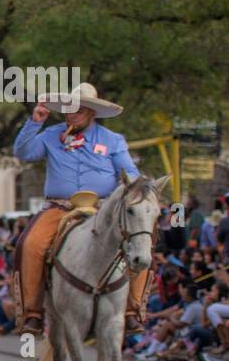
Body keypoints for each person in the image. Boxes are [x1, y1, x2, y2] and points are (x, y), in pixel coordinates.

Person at [11, 83, 147, 334]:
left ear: (92, 112)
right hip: (59, 207)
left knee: (141, 244)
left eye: (78, 109)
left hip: (102, 208)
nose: (71, 113)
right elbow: (23, 153)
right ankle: (32, 313)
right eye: (68, 108)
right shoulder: (51, 134)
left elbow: (129, 173)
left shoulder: (112, 140)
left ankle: (132, 311)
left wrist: (138, 189)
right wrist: (34, 122)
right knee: (28, 244)